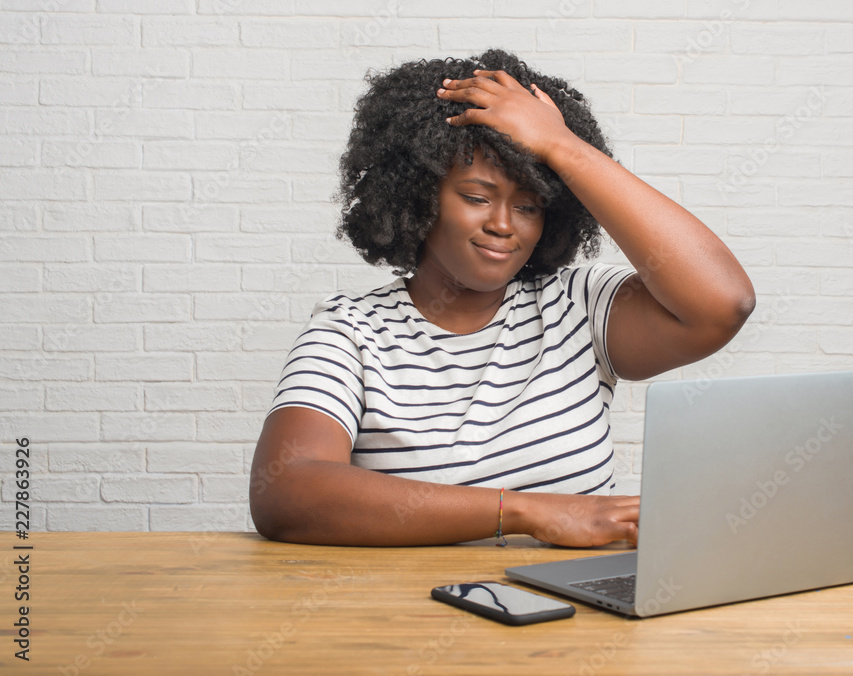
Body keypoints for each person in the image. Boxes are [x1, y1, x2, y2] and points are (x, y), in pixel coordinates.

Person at [249, 49, 755, 548]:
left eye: (530, 206)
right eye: (475, 197)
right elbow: (287, 491)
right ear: (418, 198)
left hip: (583, 619)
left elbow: (723, 302)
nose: (503, 225)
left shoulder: (576, 307)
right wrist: (524, 512)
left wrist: (562, 145)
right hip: (415, 620)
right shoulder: (351, 334)